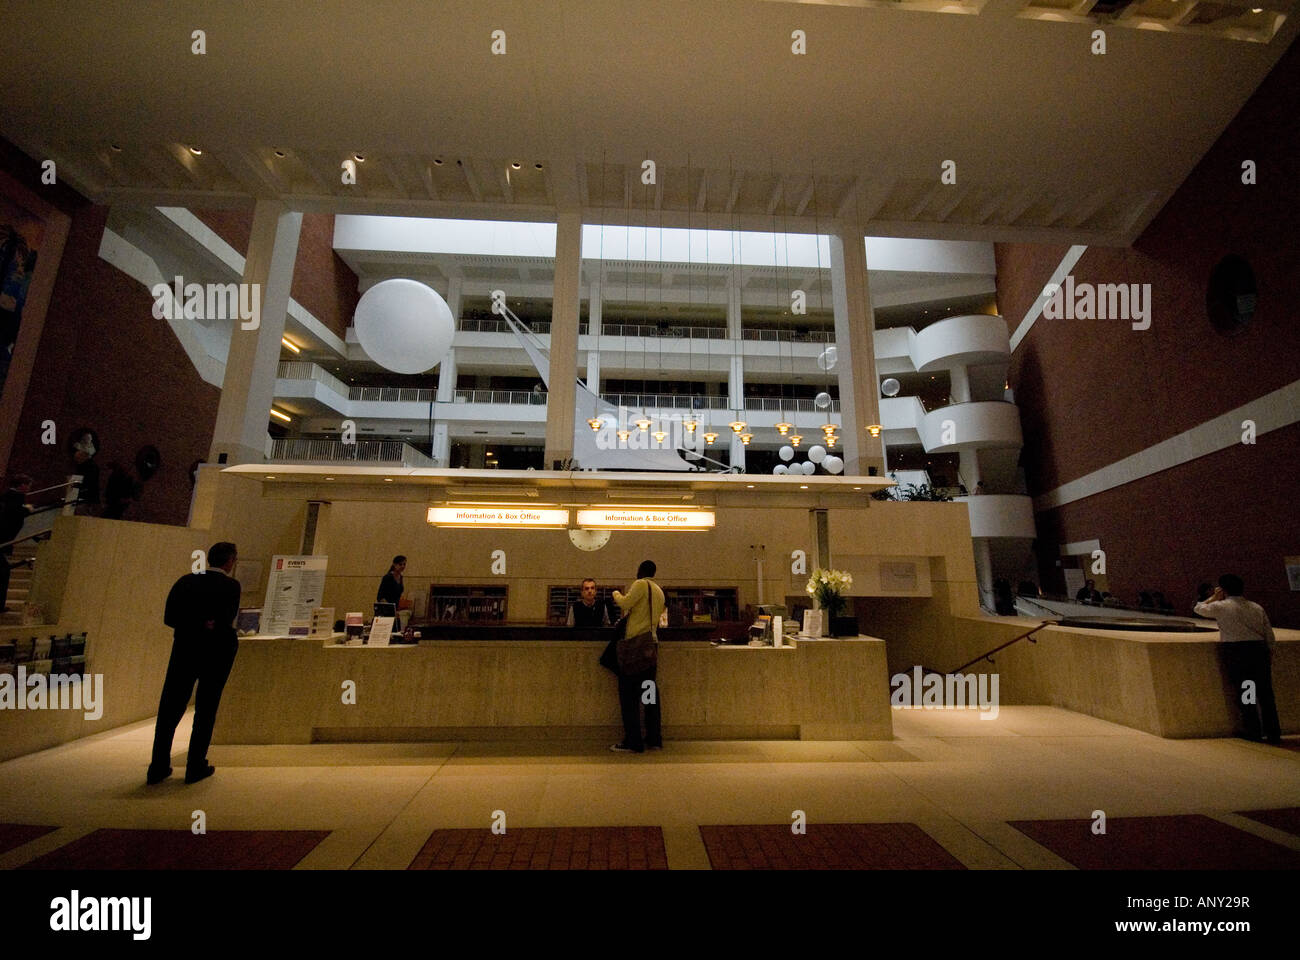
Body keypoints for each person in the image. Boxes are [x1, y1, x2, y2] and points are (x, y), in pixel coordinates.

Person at [148, 542, 242, 784]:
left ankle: (158, 765)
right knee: (206, 709)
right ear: (230, 561)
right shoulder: (230, 586)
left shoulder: (185, 581)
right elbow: (225, 618)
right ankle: (195, 764)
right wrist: (207, 624)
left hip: (184, 649)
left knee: (170, 707)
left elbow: (170, 617)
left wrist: (193, 625)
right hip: (216, 652)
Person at [1195, 575, 1281, 744]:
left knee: (1246, 690)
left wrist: (1213, 597)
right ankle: (1273, 732)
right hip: (1258, 650)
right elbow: (1268, 633)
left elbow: (1198, 608)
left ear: (1223, 590)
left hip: (1238, 651)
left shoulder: (1221, 606)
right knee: (1265, 693)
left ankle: (1253, 730)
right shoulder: (1256, 607)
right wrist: (1269, 651)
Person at [610, 560, 666, 754]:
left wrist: (615, 593)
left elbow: (625, 603)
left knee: (629, 695)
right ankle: (654, 738)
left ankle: (633, 741)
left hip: (635, 649)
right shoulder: (659, 591)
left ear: (640, 571)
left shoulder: (641, 584)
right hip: (651, 648)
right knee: (649, 695)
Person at [0, 474, 33, 612]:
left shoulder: (6, 496)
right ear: (22, 485)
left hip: (4, 537)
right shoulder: (16, 497)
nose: (29, 488)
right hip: (3, 537)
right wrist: (27, 509)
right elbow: (14, 513)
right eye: (28, 485)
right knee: (3, 571)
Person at [68, 428, 101, 511]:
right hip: (84, 499)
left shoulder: (90, 467)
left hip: (84, 499)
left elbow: (89, 484)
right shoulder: (89, 466)